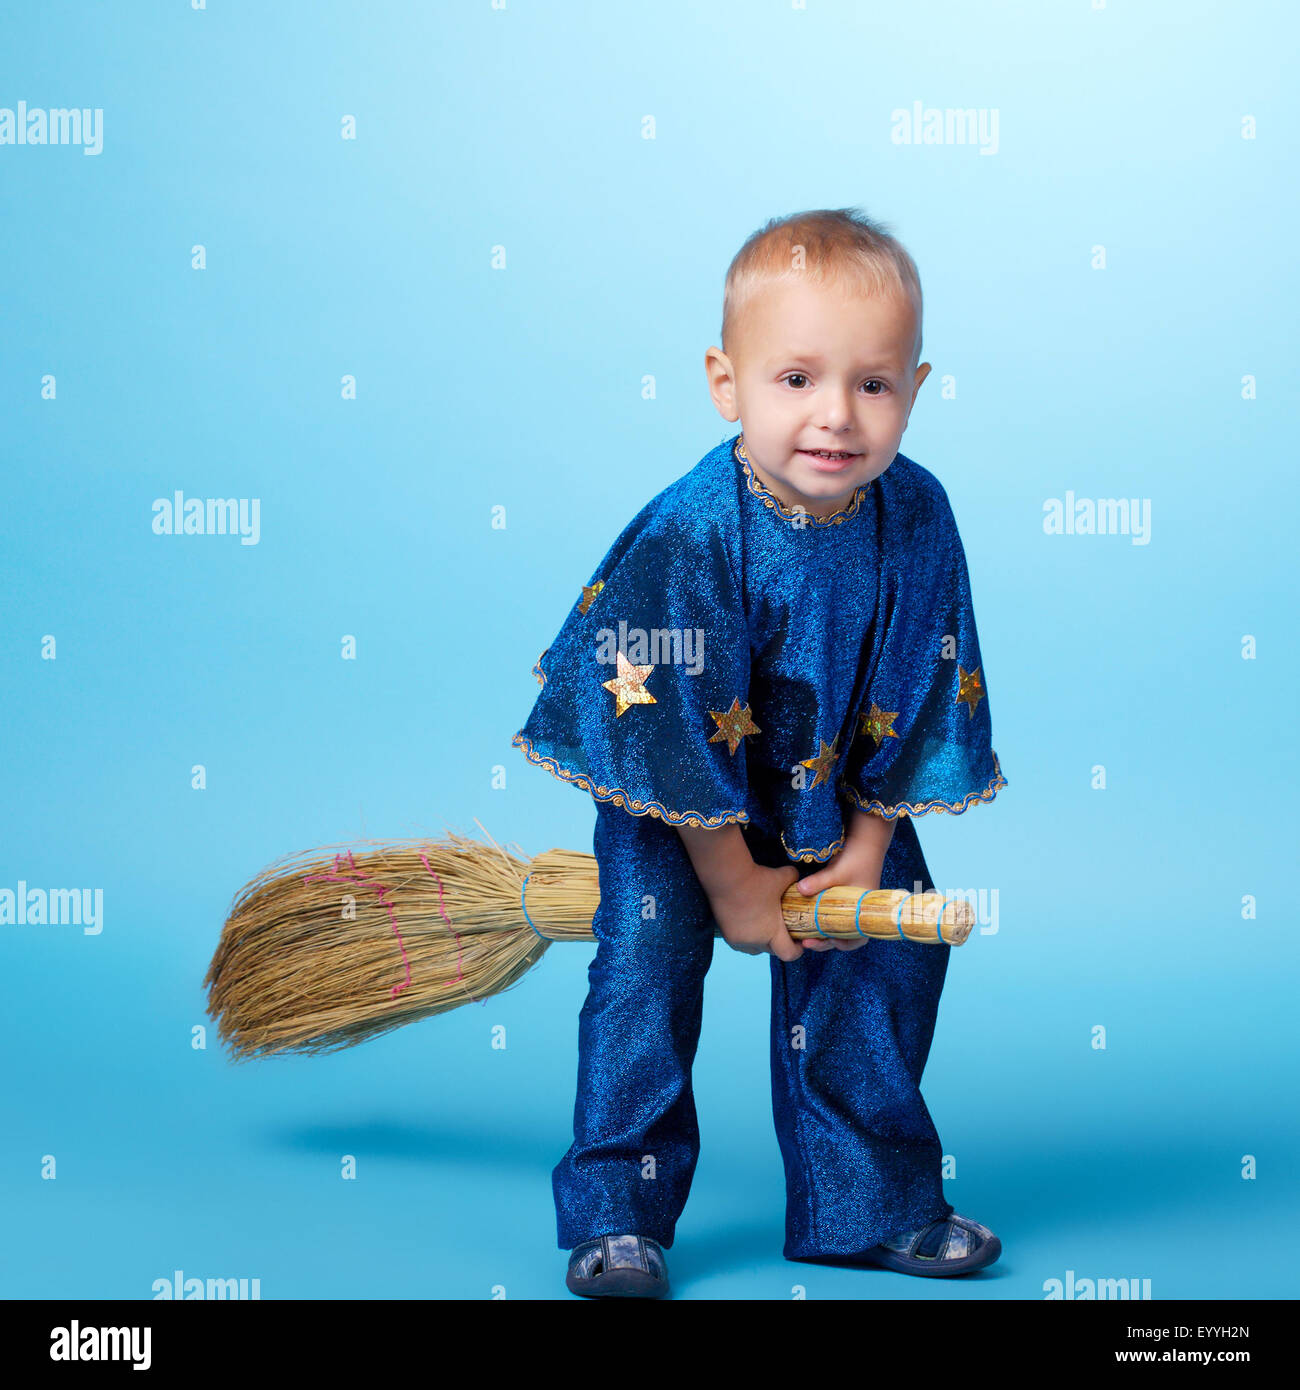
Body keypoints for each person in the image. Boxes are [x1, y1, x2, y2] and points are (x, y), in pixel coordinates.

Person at [513, 208, 1007, 1298]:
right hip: (673, 793)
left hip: (836, 787)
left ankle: (867, 1201)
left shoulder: (918, 514)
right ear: (725, 383)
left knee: (883, 959)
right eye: (795, 379)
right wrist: (735, 884)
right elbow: (660, 718)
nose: (836, 415)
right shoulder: (693, 532)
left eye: (873, 384)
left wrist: (868, 846)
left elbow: (920, 684)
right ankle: (618, 1209)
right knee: (646, 965)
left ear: (915, 389)